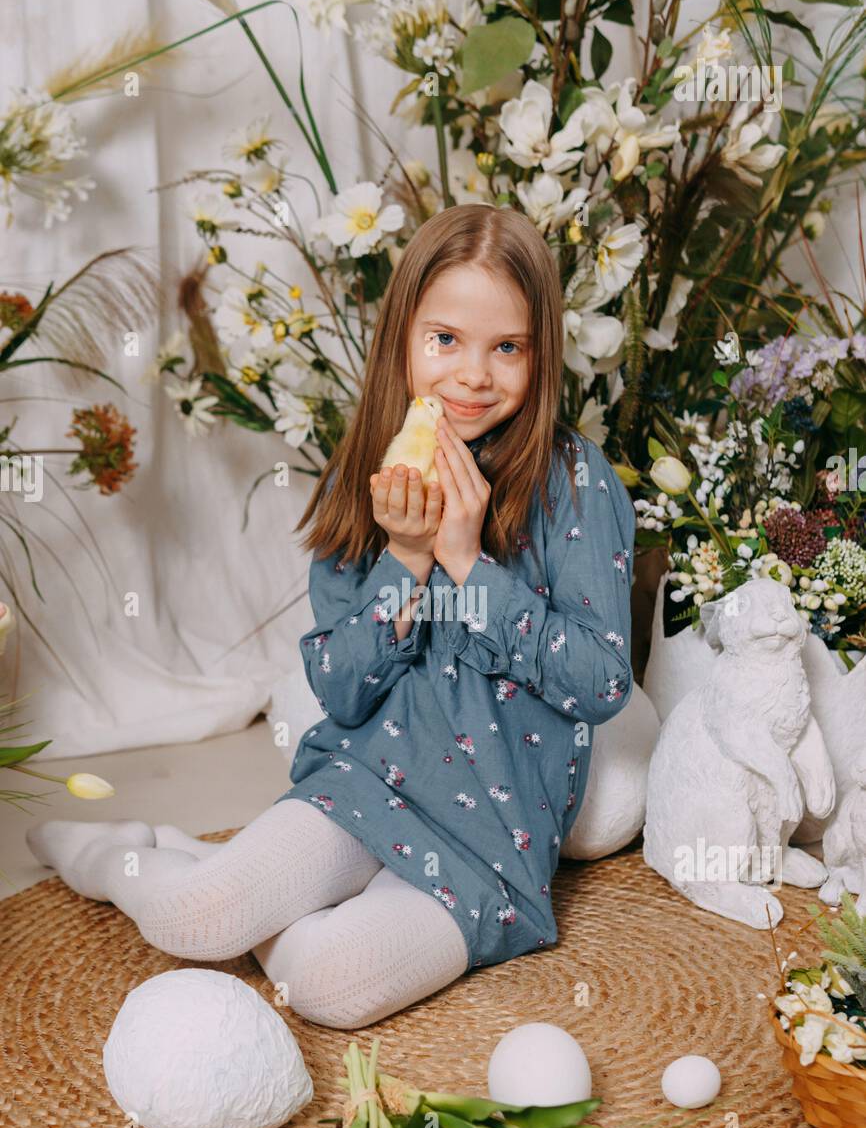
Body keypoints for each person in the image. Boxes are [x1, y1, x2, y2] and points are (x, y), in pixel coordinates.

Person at [25, 203, 635, 1029]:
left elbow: (600, 684)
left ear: (542, 353)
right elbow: (341, 691)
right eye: (445, 340)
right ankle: (112, 853)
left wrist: (466, 559)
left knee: (325, 988)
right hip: (365, 781)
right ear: (403, 339)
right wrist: (409, 557)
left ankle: (220, 874)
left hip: (488, 842)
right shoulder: (372, 475)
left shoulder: (576, 481)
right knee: (196, 920)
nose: (473, 375)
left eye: (508, 348)